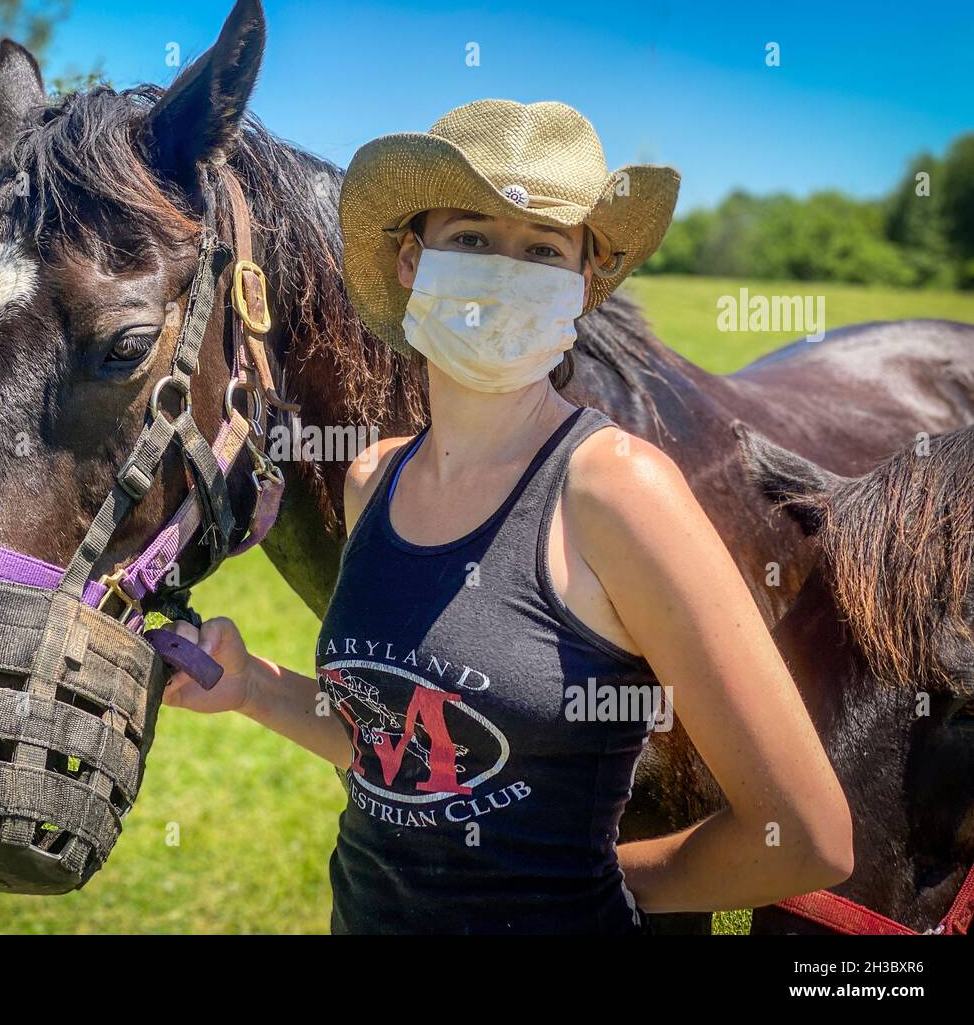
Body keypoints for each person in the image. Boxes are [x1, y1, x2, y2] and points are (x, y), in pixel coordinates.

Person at [164, 99, 852, 934]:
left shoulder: (619, 493)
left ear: (582, 281)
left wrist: (582, 882)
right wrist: (251, 688)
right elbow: (410, 753)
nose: (504, 271)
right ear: (413, 261)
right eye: (474, 240)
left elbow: (808, 837)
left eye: (541, 249)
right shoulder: (372, 481)